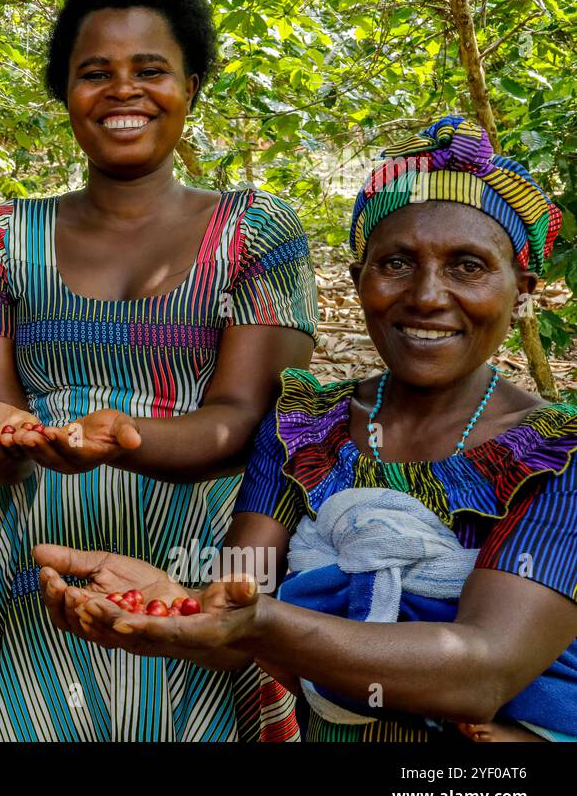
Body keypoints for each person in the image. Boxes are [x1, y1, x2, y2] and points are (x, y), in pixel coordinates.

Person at [38, 115, 577, 743]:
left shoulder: (554, 454)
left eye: (468, 267)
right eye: (396, 263)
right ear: (358, 282)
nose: (428, 296)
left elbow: (481, 674)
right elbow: (237, 609)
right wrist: (178, 601)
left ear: (523, 292)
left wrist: (256, 623)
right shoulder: (304, 429)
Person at [0, 0, 318, 741]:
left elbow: (247, 420)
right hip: (42, 556)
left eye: (151, 70)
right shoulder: (1, 239)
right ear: (64, 92)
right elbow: (1, 414)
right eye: (95, 72)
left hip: (199, 562)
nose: (124, 91)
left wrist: (121, 439)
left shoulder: (257, 234)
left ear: (192, 86)